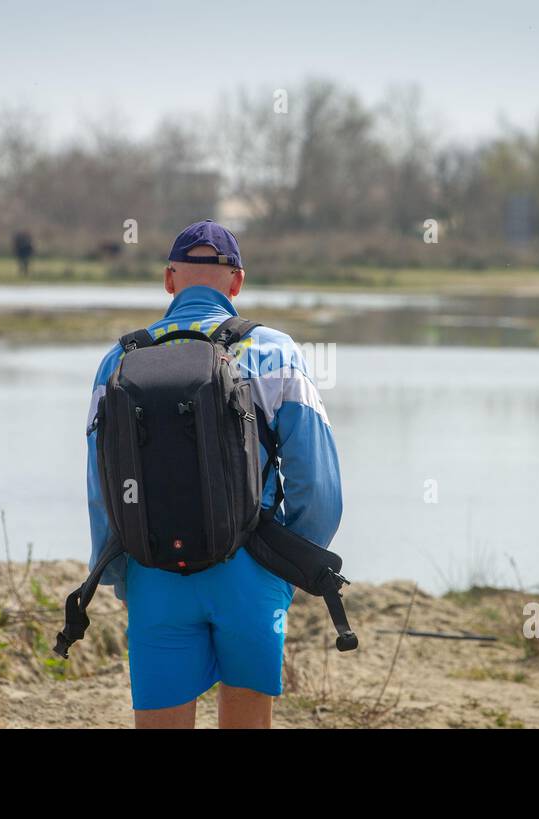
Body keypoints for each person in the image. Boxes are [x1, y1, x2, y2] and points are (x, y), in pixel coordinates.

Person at [84, 220, 342, 728]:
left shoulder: (118, 360)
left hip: (153, 571)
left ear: (169, 280)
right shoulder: (276, 353)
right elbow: (319, 486)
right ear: (237, 282)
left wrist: (119, 571)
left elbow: (101, 488)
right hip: (251, 569)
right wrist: (284, 565)